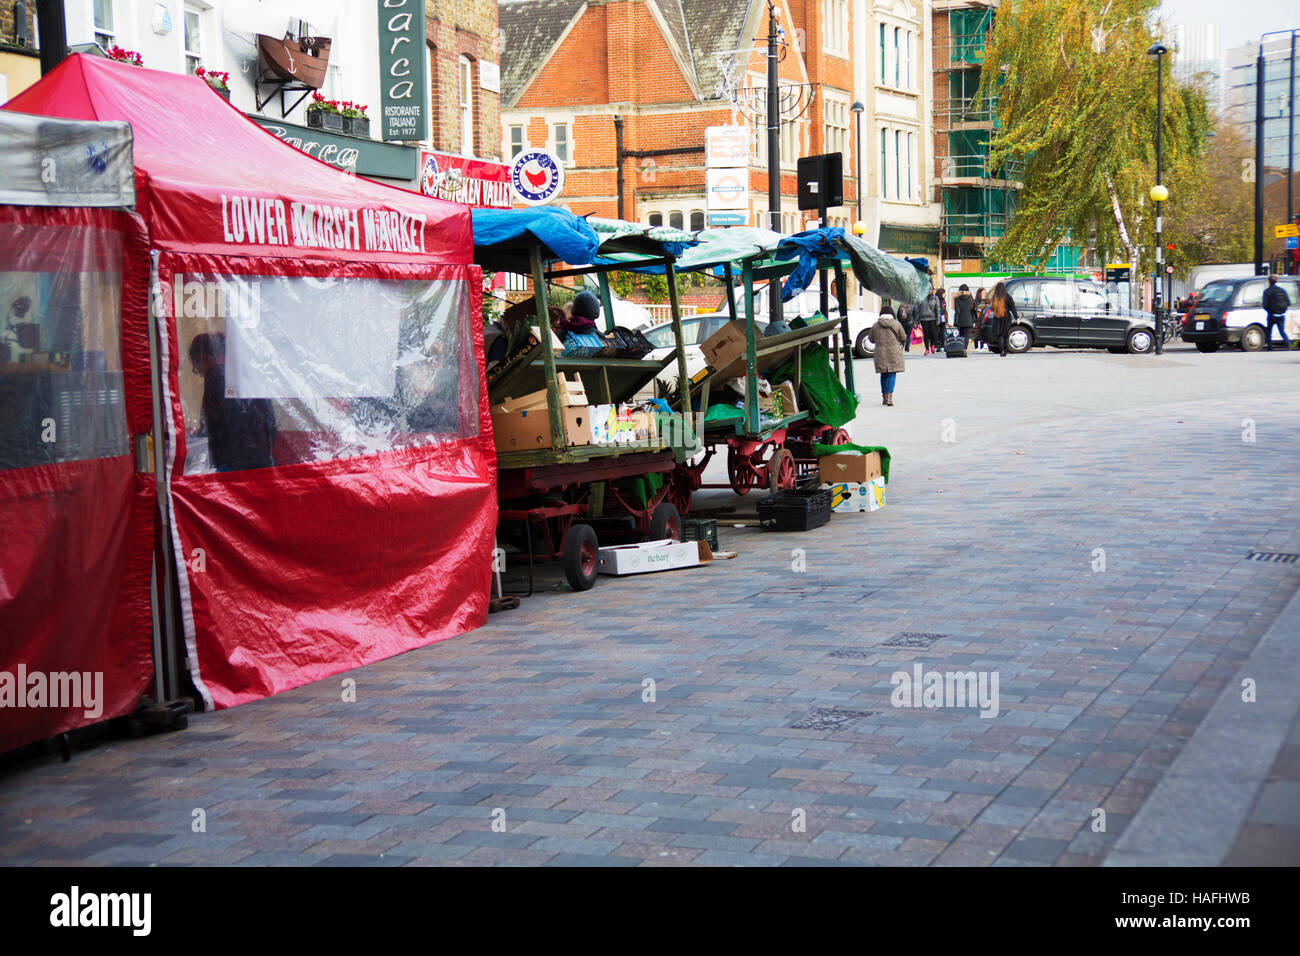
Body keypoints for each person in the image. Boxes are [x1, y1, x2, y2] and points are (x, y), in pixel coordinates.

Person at [189, 332, 277, 471]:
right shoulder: (246, 372)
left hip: (233, 462)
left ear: (202, 358)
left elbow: (217, 423)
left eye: (197, 368)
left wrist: (197, 438)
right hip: (261, 459)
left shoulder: (215, 374)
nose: (200, 373)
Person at [867, 304, 906, 406]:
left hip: (880, 353)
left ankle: (884, 397)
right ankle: (889, 397)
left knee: (883, 374)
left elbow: (871, 339)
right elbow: (903, 337)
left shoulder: (875, 325)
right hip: (894, 352)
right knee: (891, 374)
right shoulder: (896, 324)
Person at [988, 281, 1018, 356]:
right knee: (1005, 334)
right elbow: (1013, 308)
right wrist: (1017, 318)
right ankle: (1005, 349)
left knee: (999, 335)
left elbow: (992, 308)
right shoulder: (1008, 297)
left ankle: (1002, 350)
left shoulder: (994, 298)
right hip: (1006, 317)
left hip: (997, 317)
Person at [1263, 275, 1291, 351]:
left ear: (1268, 282)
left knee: (1269, 331)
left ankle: (1269, 346)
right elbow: (1288, 302)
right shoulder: (1282, 290)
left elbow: (1265, 305)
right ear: (1276, 281)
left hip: (1272, 314)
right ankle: (1287, 344)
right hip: (1281, 314)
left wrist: (1270, 311)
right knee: (1282, 330)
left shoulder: (1267, 291)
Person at [953, 284, 976, 349]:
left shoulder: (957, 299)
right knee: (967, 336)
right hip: (969, 320)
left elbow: (957, 312)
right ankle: (965, 348)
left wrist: (956, 321)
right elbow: (974, 308)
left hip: (960, 321)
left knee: (961, 335)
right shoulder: (970, 298)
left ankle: (961, 347)